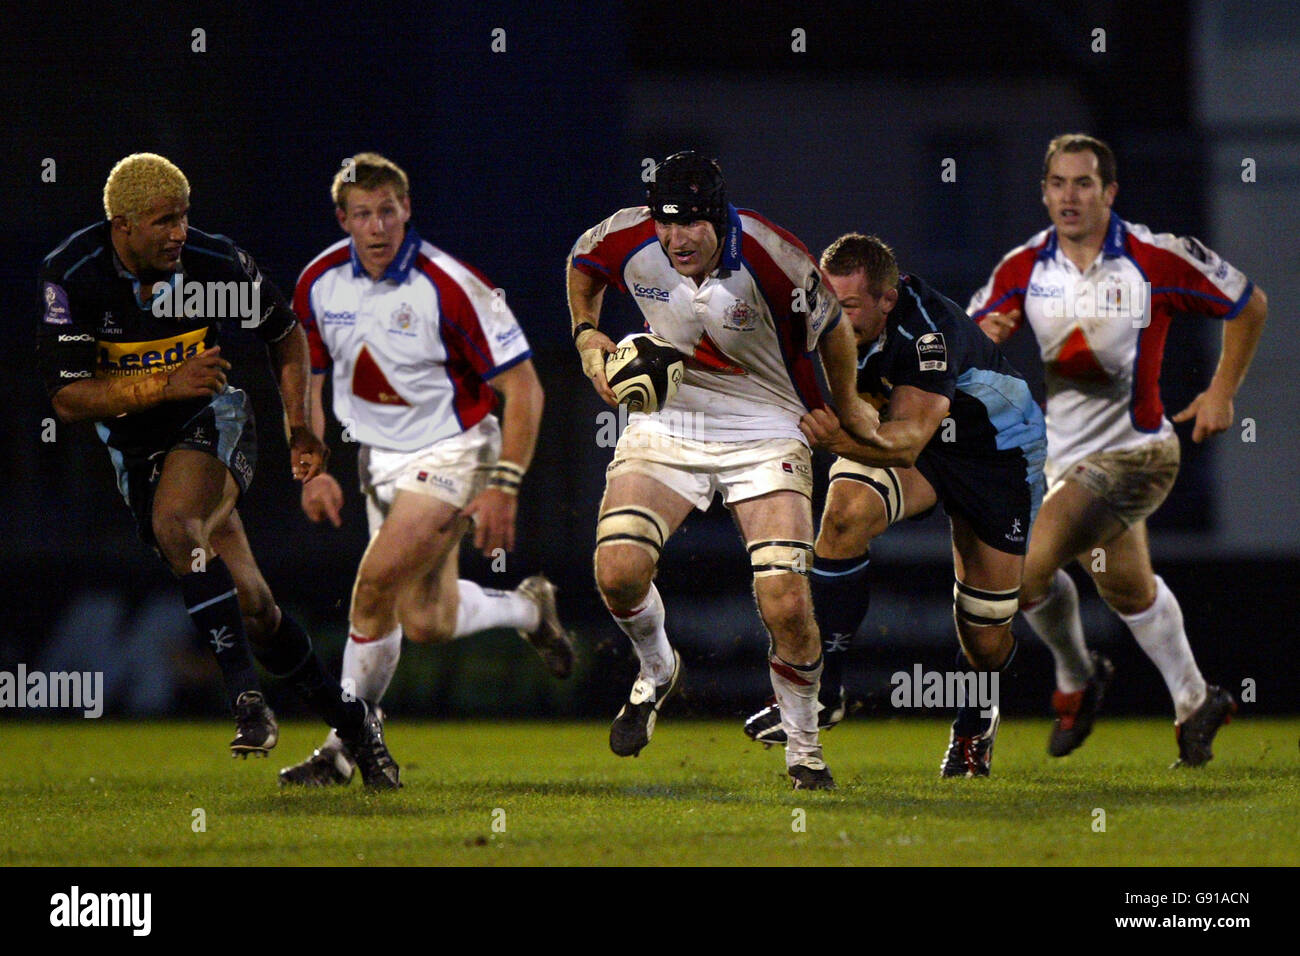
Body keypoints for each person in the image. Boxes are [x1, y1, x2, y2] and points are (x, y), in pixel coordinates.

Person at [36, 152, 398, 786]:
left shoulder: (213, 261)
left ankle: (247, 705)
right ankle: (354, 727)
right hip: (138, 450)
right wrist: (163, 383)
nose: (179, 232)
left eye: (183, 216)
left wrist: (300, 427)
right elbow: (68, 398)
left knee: (179, 524)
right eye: (162, 221)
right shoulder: (73, 276)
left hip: (215, 420)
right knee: (256, 608)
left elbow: (285, 333)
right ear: (121, 226)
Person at [566, 151, 878, 790]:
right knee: (617, 572)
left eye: (692, 226)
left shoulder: (774, 258)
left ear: (720, 218)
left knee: (785, 599)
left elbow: (837, 330)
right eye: (666, 224)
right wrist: (586, 334)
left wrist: (839, 407)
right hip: (669, 421)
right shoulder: (629, 235)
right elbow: (583, 264)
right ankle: (657, 669)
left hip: (765, 428)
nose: (676, 239)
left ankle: (804, 751)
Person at [970, 133, 1268, 766]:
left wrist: (1221, 392)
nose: (1069, 196)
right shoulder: (1024, 265)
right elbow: (970, 342)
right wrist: (984, 340)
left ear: (1109, 192)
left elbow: (1248, 303)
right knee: (1127, 590)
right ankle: (1196, 700)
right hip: (1060, 462)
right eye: (1058, 183)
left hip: (1138, 458)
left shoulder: (1152, 256)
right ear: (1044, 192)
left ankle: (1076, 679)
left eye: (1083, 183)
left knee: (1021, 571)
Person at [279, 153, 572, 787]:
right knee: (427, 621)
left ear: (406, 209)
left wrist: (504, 484)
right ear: (344, 219)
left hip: (455, 454)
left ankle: (342, 747)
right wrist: (311, 466)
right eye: (363, 214)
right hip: (377, 462)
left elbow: (525, 390)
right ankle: (530, 611)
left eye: (388, 210)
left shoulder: (453, 285)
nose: (378, 226)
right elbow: (308, 380)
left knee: (374, 585)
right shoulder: (317, 283)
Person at [743, 234, 1047, 777]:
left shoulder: (927, 331)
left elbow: (906, 441)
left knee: (985, 633)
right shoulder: (818, 316)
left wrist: (826, 437)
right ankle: (825, 689)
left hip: (994, 456)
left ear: (888, 300)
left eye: (851, 306)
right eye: (830, 302)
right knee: (841, 518)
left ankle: (976, 718)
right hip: (910, 445)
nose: (835, 316)